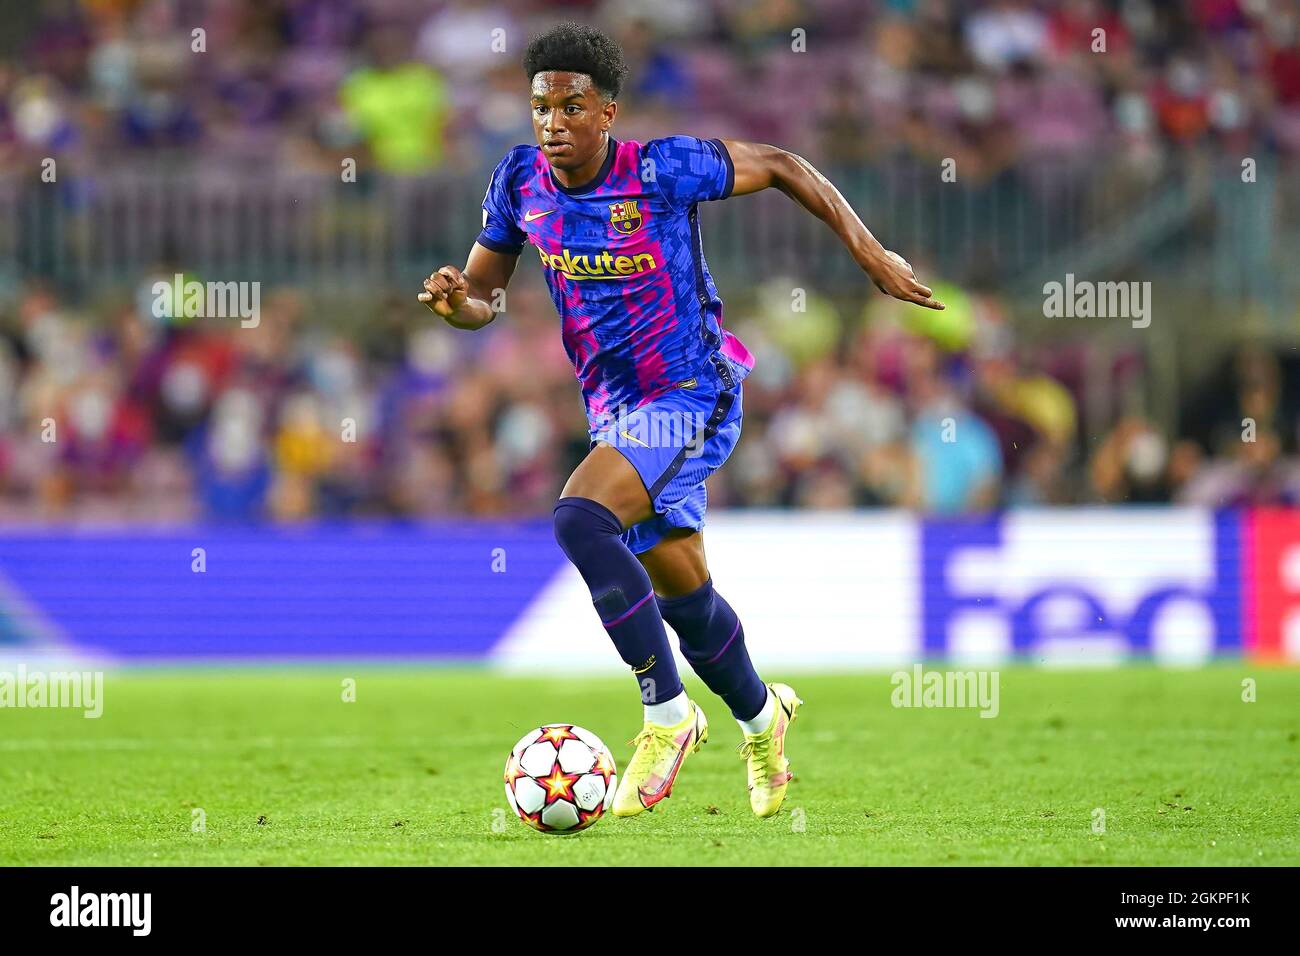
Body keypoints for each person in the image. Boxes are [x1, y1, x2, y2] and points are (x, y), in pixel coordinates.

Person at [419, 22, 942, 818]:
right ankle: (765, 717)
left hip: (694, 394)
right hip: (616, 414)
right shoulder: (518, 180)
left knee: (579, 518)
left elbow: (781, 165)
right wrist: (461, 303)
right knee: (685, 597)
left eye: (569, 106)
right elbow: (485, 298)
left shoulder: (661, 169)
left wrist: (867, 251)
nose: (551, 122)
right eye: (539, 107)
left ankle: (667, 715)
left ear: (608, 112)